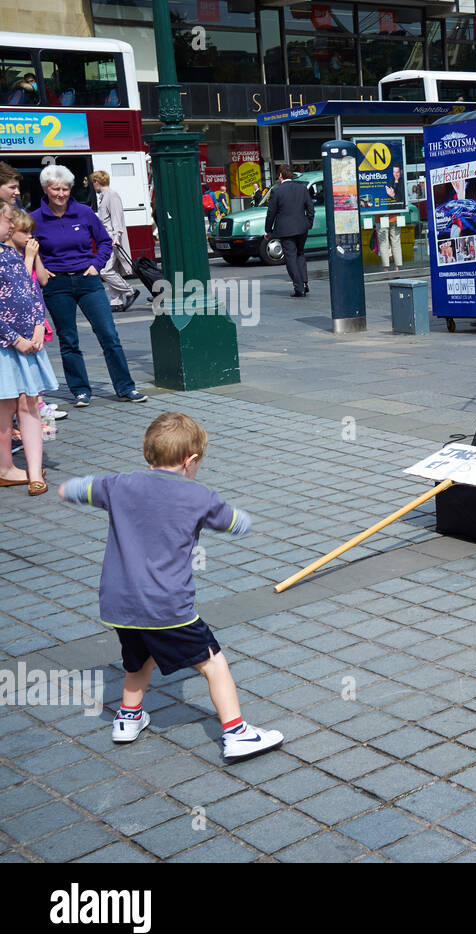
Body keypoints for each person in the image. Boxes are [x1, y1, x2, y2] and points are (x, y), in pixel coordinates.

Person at [57, 412, 284, 763]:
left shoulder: (118, 485)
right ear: (190, 461)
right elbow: (235, 523)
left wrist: (70, 489)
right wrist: (241, 520)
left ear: (149, 454)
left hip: (120, 604)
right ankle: (237, 732)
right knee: (213, 663)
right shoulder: (198, 497)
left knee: (137, 659)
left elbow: (71, 489)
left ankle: (128, 718)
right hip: (168, 606)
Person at [31, 164, 147, 407]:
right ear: (45, 189)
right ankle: (80, 391)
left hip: (88, 280)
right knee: (69, 340)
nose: (61, 194)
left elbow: (105, 242)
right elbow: (27, 249)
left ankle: (126, 388)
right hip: (57, 285)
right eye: (55, 189)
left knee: (108, 335)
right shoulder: (35, 219)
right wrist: (42, 268)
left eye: (65, 189)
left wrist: (96, 265)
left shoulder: (84, 213)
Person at [0, 202, 58, 495]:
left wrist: (38, 324)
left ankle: (34, 471)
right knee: (5, 406)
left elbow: (31, 290)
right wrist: (14, 338)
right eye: (7, 220)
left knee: (30, 402)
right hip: (7, 344)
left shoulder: (11, 254)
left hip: (27, 339)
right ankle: (6, 467)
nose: (11, 226)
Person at [91, 170, 139, 313]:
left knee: (104, 270)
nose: (92, 185)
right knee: (113, 269)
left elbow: (116, 218)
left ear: (97, 182)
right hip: (108, 238)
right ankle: (115, 301)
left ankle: (130, 291)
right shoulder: (104, 196)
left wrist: (117, 237)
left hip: (111, 239)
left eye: (93, 182)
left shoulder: (111, 195)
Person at [264, 164, 314, 297]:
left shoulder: (277, 191)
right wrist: (308, 223)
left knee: (290, 257)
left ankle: (299, 287)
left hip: (286, 229)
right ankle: (304, 282)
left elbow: (271, 213)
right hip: (302, 228)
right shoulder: (302, 189)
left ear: (280, 175)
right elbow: (310, 207)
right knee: (300, 254)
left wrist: (268, 230)